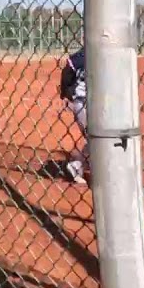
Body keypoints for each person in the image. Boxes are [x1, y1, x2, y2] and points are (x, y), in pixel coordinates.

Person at [59, 47, 88, 185]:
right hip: (83, 103)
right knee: (96, 138)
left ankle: (79, 164)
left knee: (100, 138)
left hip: (99, 105)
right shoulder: (82, 55)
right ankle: (76, 166)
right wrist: (65, 94)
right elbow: (67, 72)